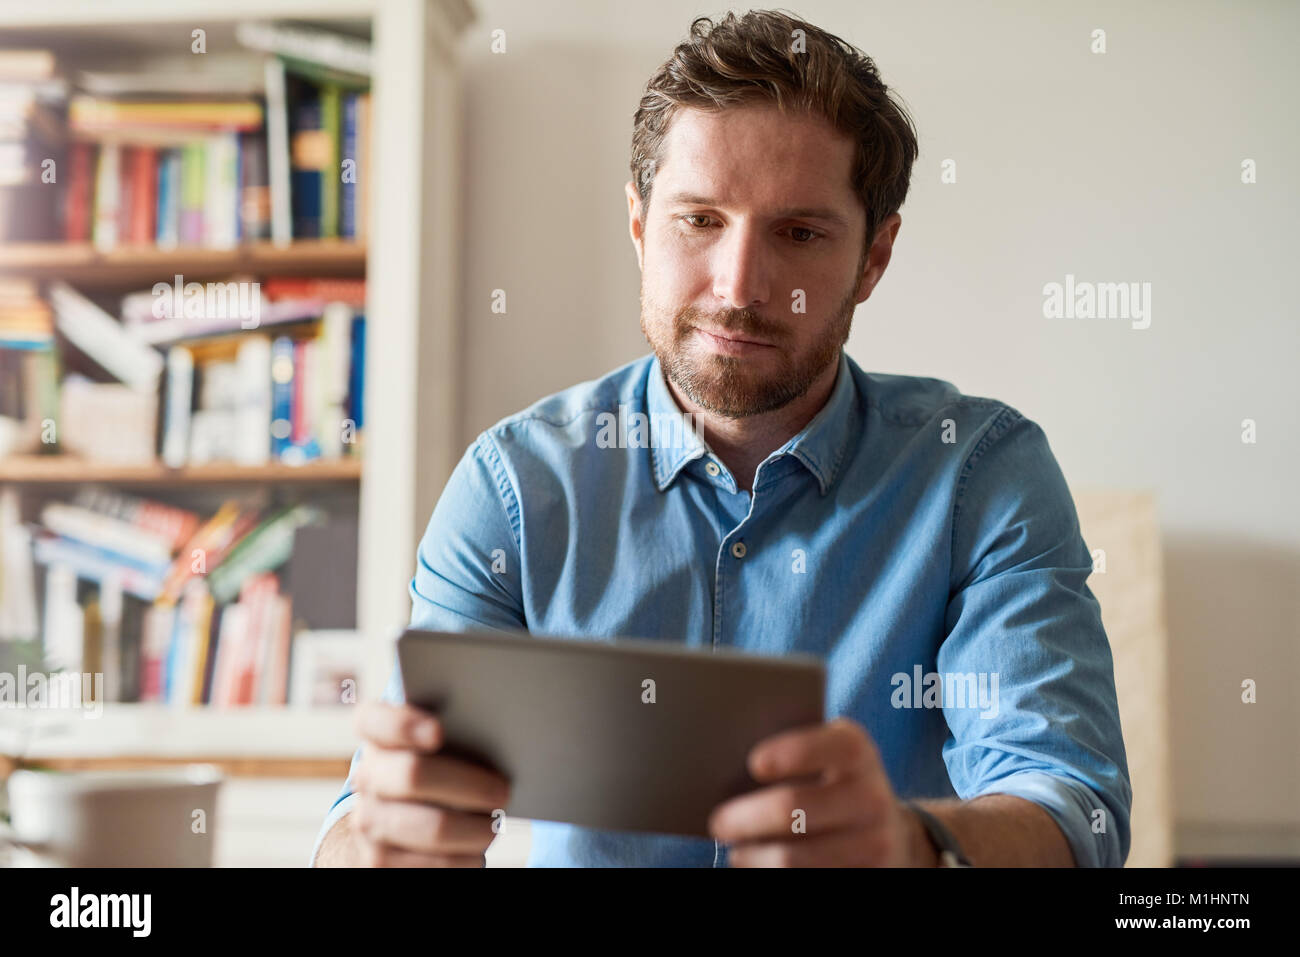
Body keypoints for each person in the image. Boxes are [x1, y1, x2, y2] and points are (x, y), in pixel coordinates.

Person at [313, 9, 1131, 868]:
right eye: (699, 220)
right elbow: (367, 814)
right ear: (639, 225)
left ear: (874, 257)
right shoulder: (514, 490)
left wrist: (911, 849)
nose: (739, 287)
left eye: (800, 233)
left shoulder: (982, 474)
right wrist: (375, 845)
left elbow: (1072, 809)